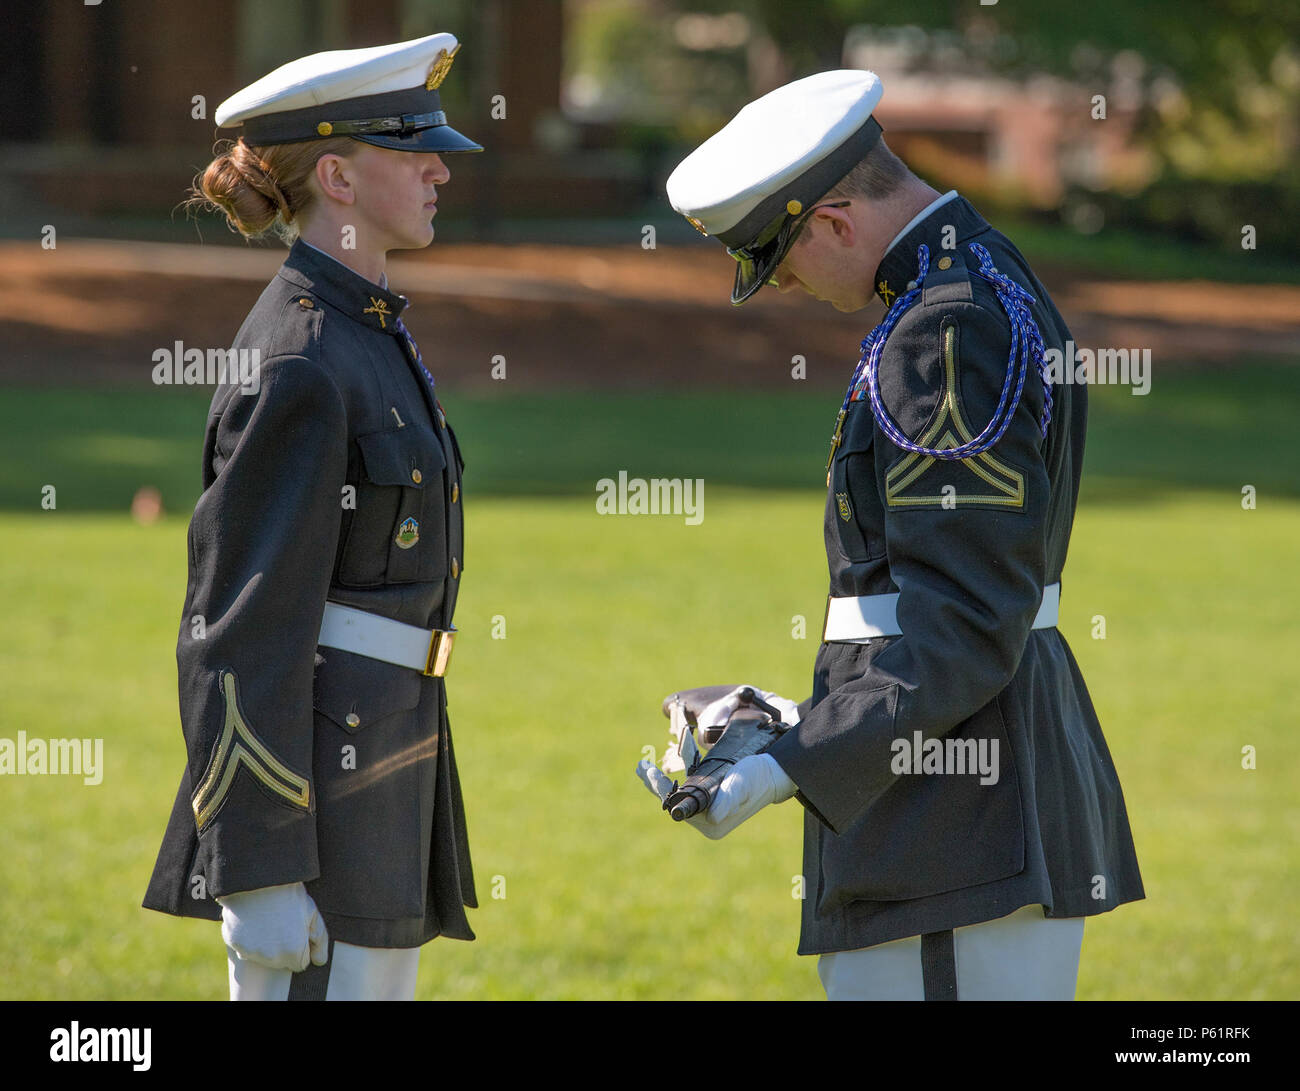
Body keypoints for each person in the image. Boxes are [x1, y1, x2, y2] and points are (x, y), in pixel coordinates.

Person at [642, 69, 1145, 1000]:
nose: (786, 285)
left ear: (834, 221)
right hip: (966, 788)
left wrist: (789, 766)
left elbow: (963, 625)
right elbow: (943, 604)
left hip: (954, 823)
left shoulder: (938, 331)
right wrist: (787, 720)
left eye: (781, 259)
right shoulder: (983, 276)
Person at [142, 32, 482, 1001]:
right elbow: (239, 625)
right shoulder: (301, 355)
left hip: (385, 759)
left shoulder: (364, 328)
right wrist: (255, 861)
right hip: (315, 800)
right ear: (335, 174)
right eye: (410, 149)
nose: (438, 170)